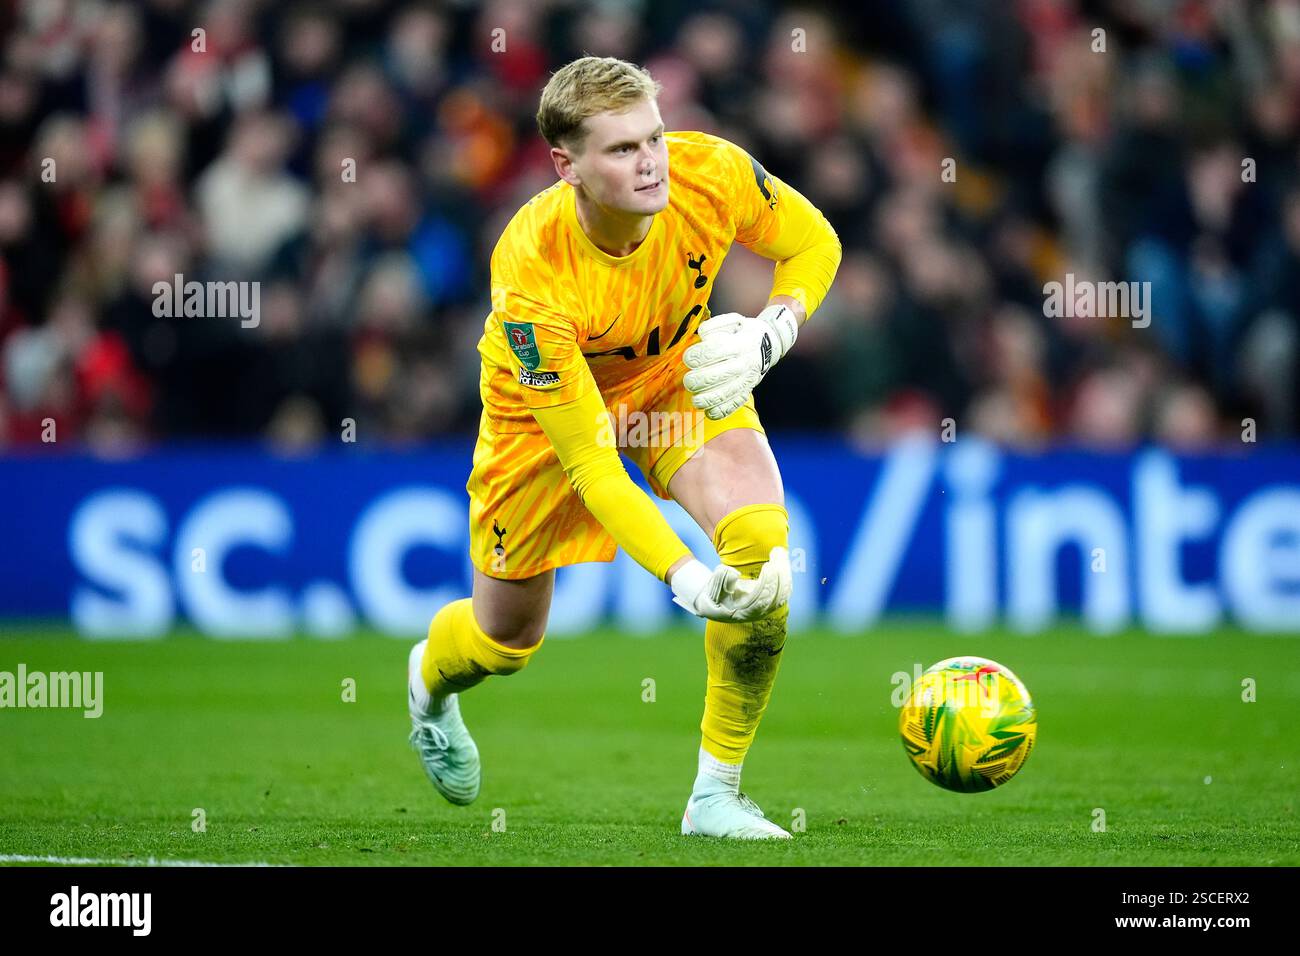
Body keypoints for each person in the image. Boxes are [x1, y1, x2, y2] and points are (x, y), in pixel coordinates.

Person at [406, 56, 841, 839]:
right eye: (621, 150)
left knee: (761, 554)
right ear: (565, 165)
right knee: (506, 642)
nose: (650, 162)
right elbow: (593, 466)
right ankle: (429, 687)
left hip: (671, 385)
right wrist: (682, 575)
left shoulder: (710, 172)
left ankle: (716, 795)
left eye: (654, 137)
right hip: (544, 425)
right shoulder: (533, 271)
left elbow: (815, 245)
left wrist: (773, 332)